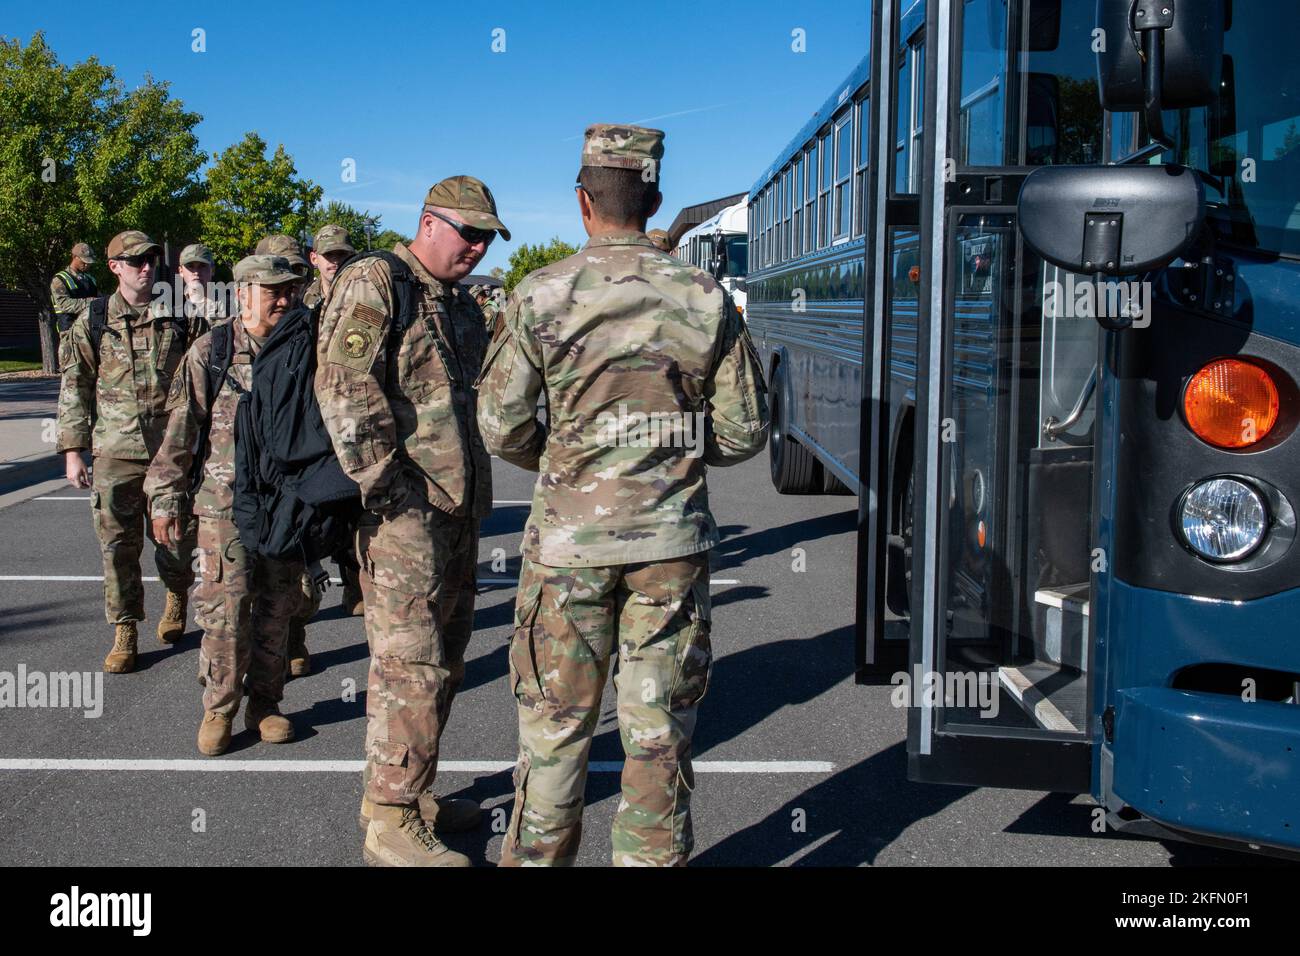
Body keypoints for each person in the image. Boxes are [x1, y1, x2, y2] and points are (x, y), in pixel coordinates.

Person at [477, 124, 769, 867]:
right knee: (657, 734)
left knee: (553, 734)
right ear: (657, 199)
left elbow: (500, 423)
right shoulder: (702, 295)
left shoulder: (540, 293)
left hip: (568, 544)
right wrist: (665, 445)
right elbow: (743, 433)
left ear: (582, 201)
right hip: (668, 547)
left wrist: (571, 460)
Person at [315, 175, 508, 866]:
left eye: (487, 236)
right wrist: (386, 486)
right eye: (469, 232)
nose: (478, 247)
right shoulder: (378, 280)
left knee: (446, 662)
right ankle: (391, 821)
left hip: (456, 509)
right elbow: (343, 384)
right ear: (429, 222)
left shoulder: (456, 302)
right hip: (407, 515)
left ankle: (410, 791)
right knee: (411, 664)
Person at [145, 255, 306, 755]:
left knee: (278, 608)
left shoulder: (306, 348)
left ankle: (266, 702)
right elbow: (181, 429)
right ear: (242, 294)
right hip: (223, 505)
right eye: (272, 290)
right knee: (224, 609)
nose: (284, 299)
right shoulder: (210, 350)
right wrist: (166, 497)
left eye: (290, 290)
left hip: (286, 505)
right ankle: (219, 706)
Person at [55, 231, 201, 673]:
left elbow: (207, 372)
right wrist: (73, 449)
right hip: (114, 452)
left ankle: (176, 597)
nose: (146, 267)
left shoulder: (180, 315)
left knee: (175, 541)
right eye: (135, 261)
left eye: (151, 260)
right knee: (117, 547)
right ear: (115, 266)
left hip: (170, 454)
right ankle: (126, 628)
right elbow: (75, 384)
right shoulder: (94, 318)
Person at [303, 224, 355, 311]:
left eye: (342, 254)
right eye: (328, 254)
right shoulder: (305, 297)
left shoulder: (362, 292)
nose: (336, 261)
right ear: (314, 258)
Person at [177, 243, 227, 324]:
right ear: (181, 271)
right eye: (190, 266)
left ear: (212, 270)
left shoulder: (229, 305)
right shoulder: (172, 307)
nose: (196, 272)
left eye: (202, 266)